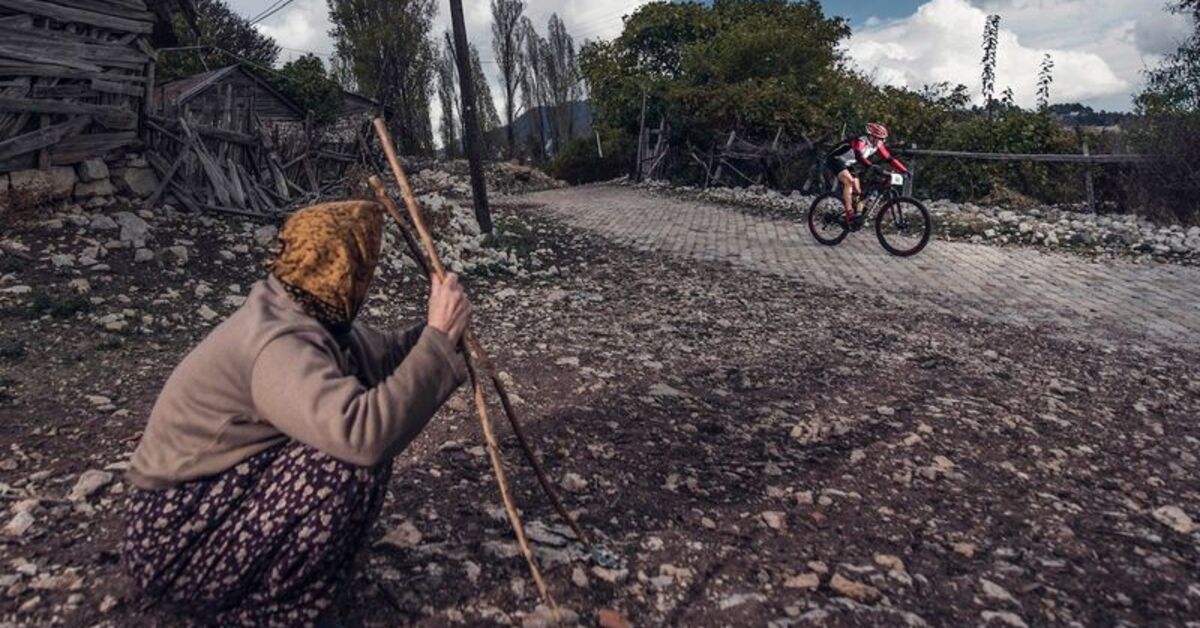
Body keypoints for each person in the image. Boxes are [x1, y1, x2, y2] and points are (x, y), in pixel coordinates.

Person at [121, 200, 471, 626]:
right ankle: (277, 611)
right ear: (345, 273)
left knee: (353, 425)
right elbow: (363, 433)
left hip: (211, 500)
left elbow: (381, 354)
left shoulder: (303, 307)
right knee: (347, 460)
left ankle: (288, 586)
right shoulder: (276, 344)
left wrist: (439, 332)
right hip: (175, 543)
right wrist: (435, 343)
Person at [825, 122, 909, 227]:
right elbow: (859, 155)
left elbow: (889, 159)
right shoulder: (860, 141)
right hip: (835, 159)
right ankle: (849, 213)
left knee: (858, 191)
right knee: (849, 182)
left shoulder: (877, 144)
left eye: (882, 139)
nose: (880, 141)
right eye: (878, 138)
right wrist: (872, 166)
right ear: (871, 136)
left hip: (848, 163)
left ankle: (855, 215)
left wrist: (904, 170)